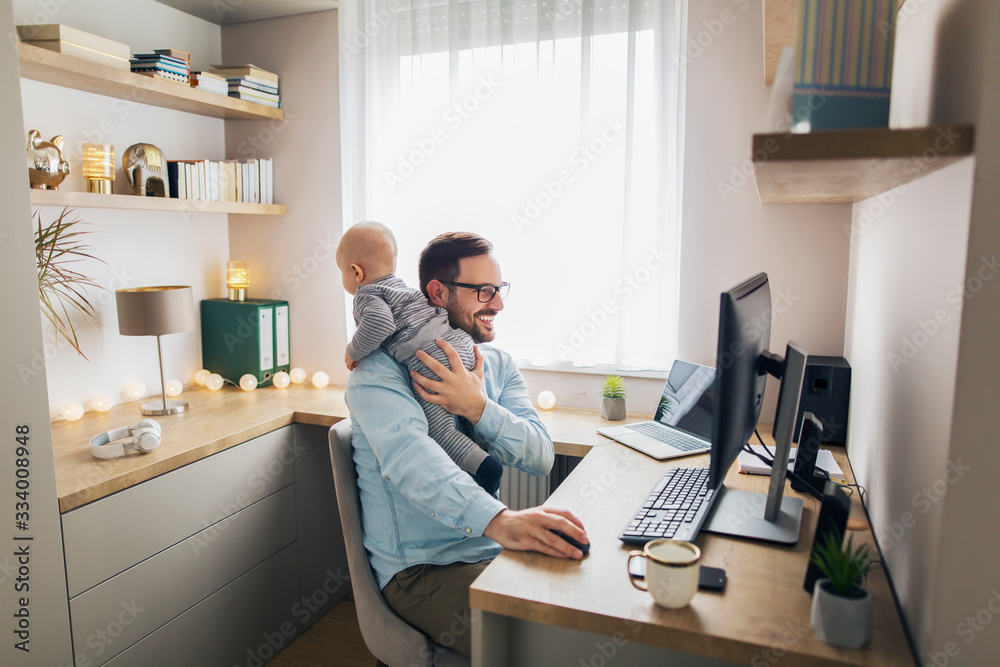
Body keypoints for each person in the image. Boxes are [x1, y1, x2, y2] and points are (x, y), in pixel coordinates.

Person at [344, 231, 588, 658]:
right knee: (556, 644)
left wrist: (478, 408)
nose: (498, 304)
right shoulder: (378, 373)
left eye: (499, 290)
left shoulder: (498, 365)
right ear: (438, 293)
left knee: (592, 603)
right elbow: (411, 462)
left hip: (489, 549)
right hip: (422, 572)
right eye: (484, 292)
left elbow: (540, 457)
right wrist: (500, 520)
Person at [336, 222, 503, 494]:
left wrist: (353, 350)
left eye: (341, 271)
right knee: (467, 414)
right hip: (459, 344)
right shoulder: (402, 288)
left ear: (355, 271)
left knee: (440, 429)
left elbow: (380, 325)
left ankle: (486, 469)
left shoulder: (367, 295)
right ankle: (482, 453)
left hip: (434, 356)